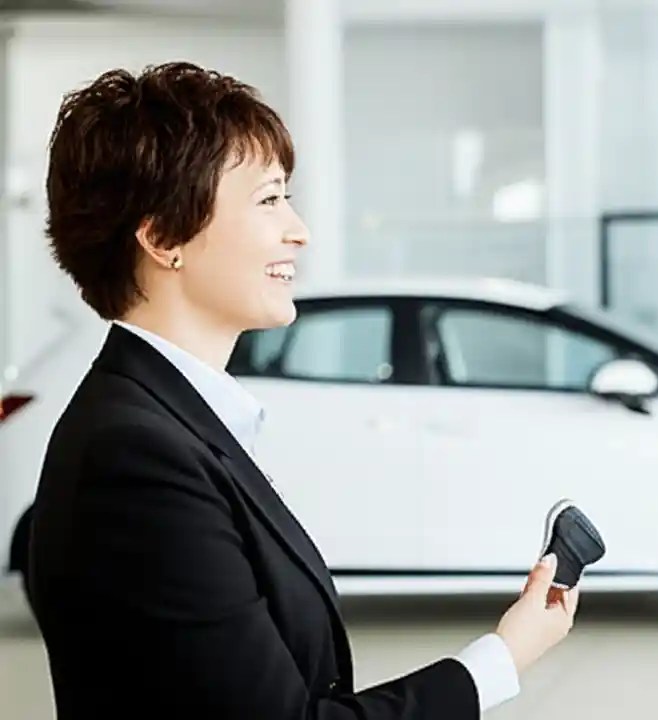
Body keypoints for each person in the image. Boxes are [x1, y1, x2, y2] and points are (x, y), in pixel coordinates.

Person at [25, 61, 577, 719]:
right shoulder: (135, 457)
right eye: (268, 199)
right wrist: (502, 659)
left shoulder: (169, 423)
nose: (299, 229)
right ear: (163, 236)